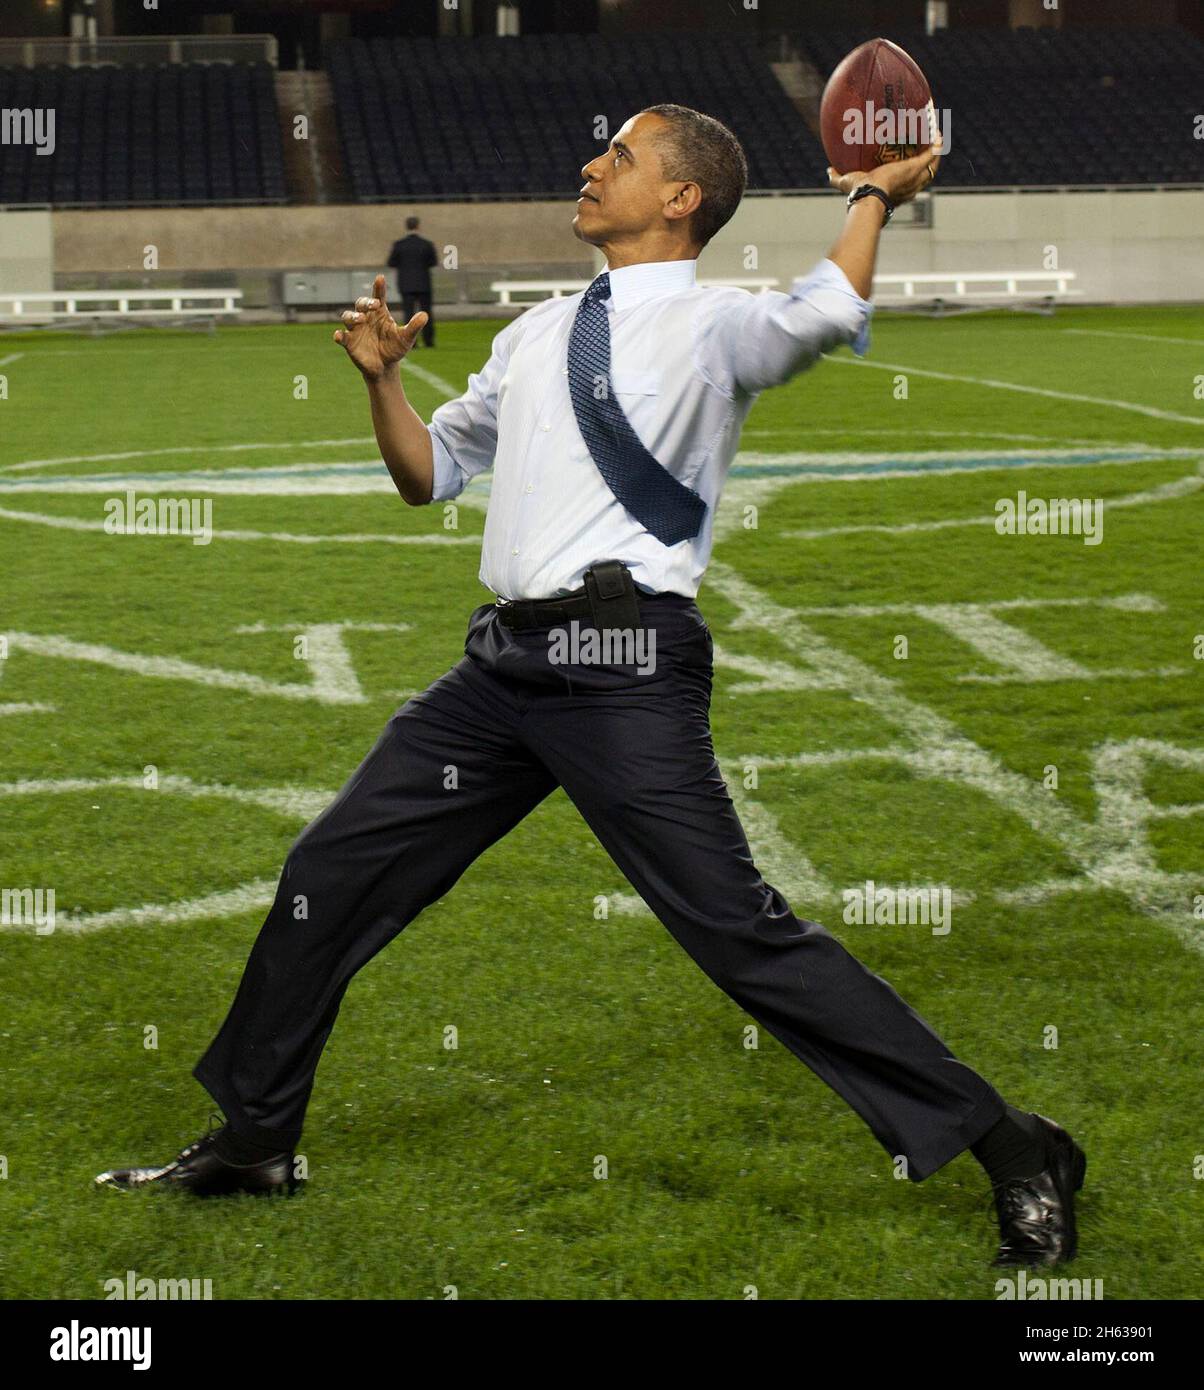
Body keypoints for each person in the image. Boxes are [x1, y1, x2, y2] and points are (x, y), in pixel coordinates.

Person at [97, 104, 1084, 1270]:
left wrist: (872, 195)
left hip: (622, 664)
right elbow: (431, 477)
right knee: (330, 873)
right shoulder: (534, 331)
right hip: (499, 667)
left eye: (618, 157)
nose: (588, 165)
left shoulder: (718, 327)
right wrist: (381, 384)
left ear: (681, 199)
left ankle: (1017, 1148)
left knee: (735, 933)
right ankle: (256, 1139)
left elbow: (827, 309)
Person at [386, 215, 437, 348]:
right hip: (423, 283)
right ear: (418, 226)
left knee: (409, 313)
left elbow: (391, 262)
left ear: (407, 226)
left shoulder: (399, 245)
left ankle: (411, 342)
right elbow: (433, 262)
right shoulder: (426, 244)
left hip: (406, 284)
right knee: (426, 313)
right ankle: (428, 341)